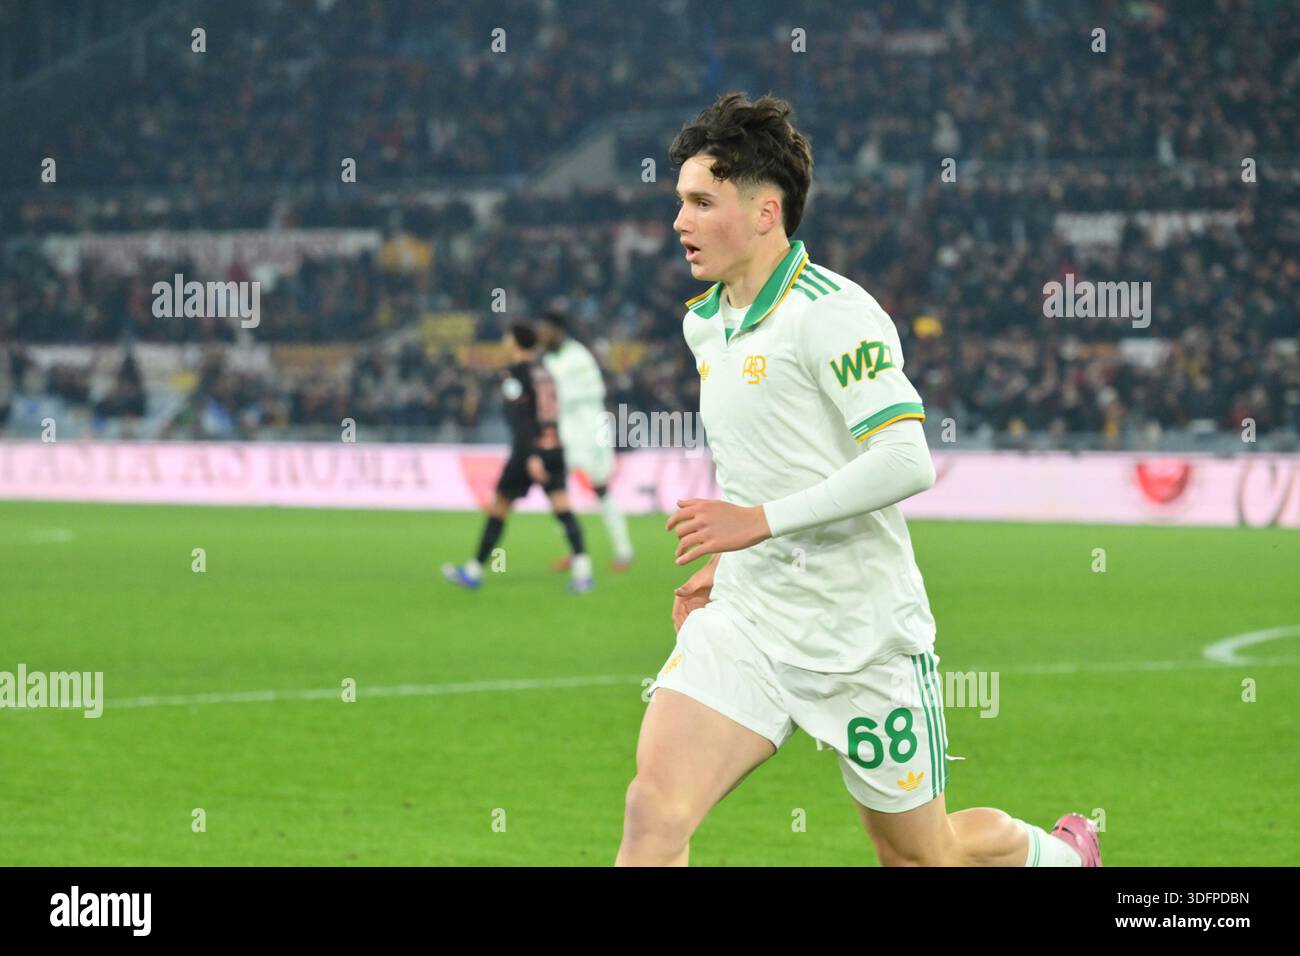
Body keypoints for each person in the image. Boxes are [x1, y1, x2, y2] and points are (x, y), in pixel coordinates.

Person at [616, 93, 1100, 867]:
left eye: (702, 202)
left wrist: (756, 524)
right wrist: (730, 559)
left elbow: (908, 460)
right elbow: (770, 456)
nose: (680, 222)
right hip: (748, 621)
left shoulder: (835, 315)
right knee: (653, 812)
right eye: (680, 202)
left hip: (862, 635)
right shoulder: (704, 321)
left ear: (766, 212)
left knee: (922, 855)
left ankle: (1063, 858)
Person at [442, 322, 593, 593]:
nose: (504, 339)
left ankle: (474, 572)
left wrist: (532, 455)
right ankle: (583, 573)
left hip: (528, 451)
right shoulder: (545, 371)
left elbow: (521, 419)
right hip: (555, 447)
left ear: (514, 342)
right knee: (563, 509)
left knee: (499, 508)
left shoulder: (513, 375)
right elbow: (550, 412)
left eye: (507, 336)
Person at [538, 308, 635, 572]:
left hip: (590, 432)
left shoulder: (578, 356)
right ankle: (575, 549)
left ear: (558, 330)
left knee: (601, 488)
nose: (542, 334)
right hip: (565, 434)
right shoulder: (548, 359)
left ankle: (623, 551)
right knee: (556, 489)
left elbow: (595, 390)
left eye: (546, 330)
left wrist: (557, 397)